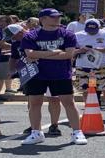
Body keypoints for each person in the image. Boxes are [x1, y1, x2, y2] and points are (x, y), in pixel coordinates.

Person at [19, 9, 88, 146]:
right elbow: (30, 54)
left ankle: (77, 132)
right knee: (35, 103)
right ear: (43, 19)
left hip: (61, 73)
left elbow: (69, 55)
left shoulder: (67, 34)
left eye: (58, 17)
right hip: (37, 74)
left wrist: (41, 54)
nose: (57, 19)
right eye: (54, 17)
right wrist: (54, 52)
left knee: (69, 102)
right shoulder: (31, 35)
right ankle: (36, 133)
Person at [74, 18, 105, 108]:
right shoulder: (77, 35)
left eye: (94, 30)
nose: (92, 32)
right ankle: (89, 109)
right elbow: (72, 50)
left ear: (100, 27)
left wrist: (97, 49)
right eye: (89, 30)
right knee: (87, 89)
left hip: (103, 66)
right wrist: (81, 50)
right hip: (84, 67)